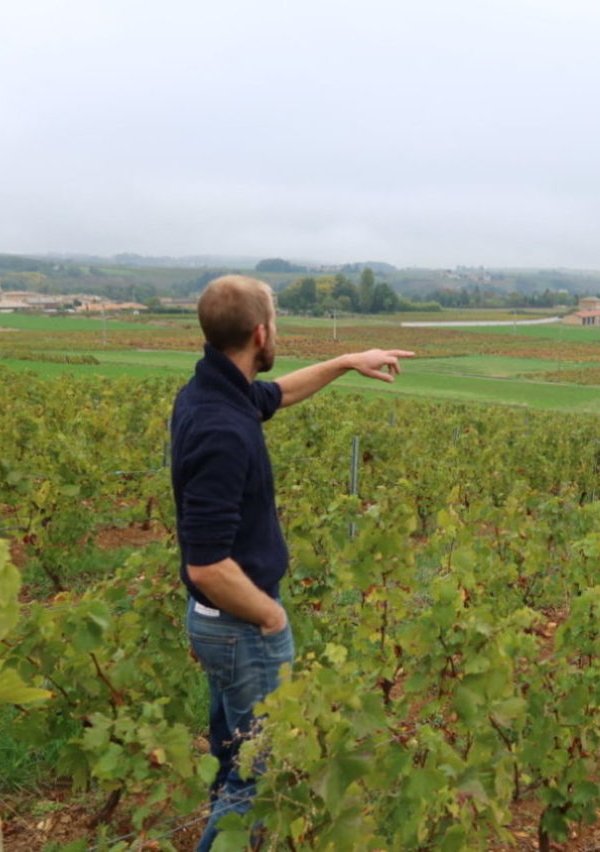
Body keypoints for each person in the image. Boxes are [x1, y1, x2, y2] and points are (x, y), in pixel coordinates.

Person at [170, 274, 412, 850]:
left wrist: (347, 361)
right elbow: (207, 564)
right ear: (260, 332)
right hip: (241, 625)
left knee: (234, 750)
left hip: (222, 622)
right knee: (257, 774)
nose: (277, 333)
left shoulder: (214, 390)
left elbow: (275, 395)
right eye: (276, 324)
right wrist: (270, 619)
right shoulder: (223, 428)